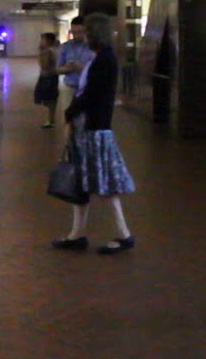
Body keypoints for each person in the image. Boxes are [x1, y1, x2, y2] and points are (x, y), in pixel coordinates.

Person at [51, 13, 136, 254]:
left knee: (104, 184)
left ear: (94, 34)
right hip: (91, 128)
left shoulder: (103, 61)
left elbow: (90, 96)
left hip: (95, 131)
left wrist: (69, 114)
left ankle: (123, 234)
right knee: (83, 183)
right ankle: (77, 234)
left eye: (86, 33)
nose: (83, 37)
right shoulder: (103, 58)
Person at [55, 16, 94, 120]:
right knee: (70, 117)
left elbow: (98, 70)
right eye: (74, 32)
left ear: (86, 31)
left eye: (80, 32)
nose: (76, 35)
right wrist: (68, 68)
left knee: (87, 118)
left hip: (88, 89)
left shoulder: (92, 47)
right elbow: (57, 69)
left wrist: (83, 68)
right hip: (70, 88)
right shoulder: (65, 47)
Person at [34, 33, 60, 128]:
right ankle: (51, 120)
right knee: (52, 99)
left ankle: (50, 121)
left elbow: (44, 66)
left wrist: (40, 54)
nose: (41, 42)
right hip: (53, 76)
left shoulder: (48, 51)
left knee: (49, 99)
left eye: (43, 40)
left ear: (49, 41)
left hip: (47, 77)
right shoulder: (55, 50)